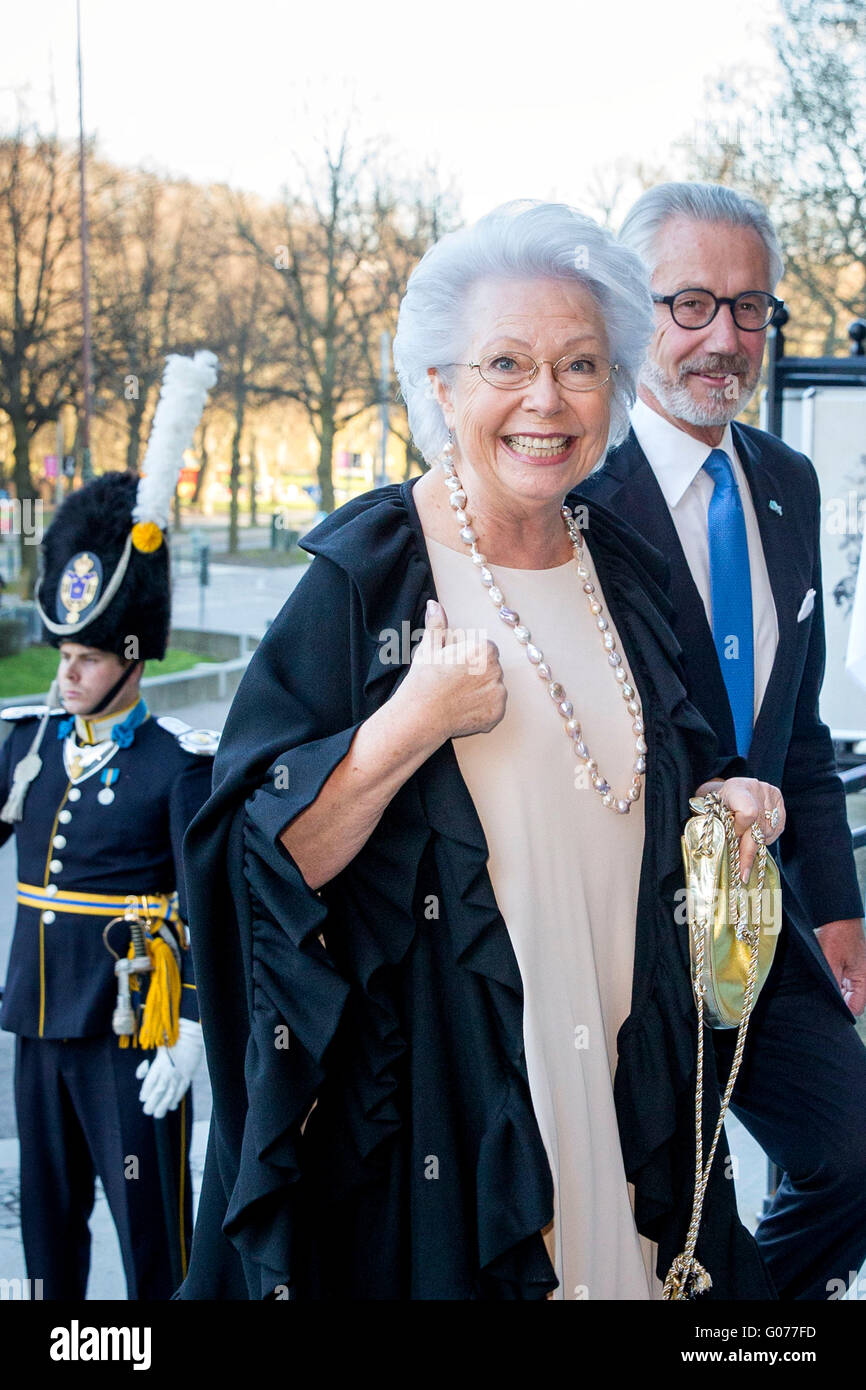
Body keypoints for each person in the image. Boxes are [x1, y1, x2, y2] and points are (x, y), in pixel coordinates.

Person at [178, 201, 786, 1302]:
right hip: (450, 1112)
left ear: (613, 386)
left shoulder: (628, 575)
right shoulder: (367, 577)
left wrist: (723, 807)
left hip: (619, 1078)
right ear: (442, 388)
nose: (544, 400)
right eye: (505, 363)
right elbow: (251, 865)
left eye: (580, 364)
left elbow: (643, 793)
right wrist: (408, 723)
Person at [577, 181, 866, 1300]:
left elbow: (793, 729)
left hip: (760, 921)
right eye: (688, 302)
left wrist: (834, 905)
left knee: (846, 1152)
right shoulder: (579, 494)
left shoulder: (786, 485)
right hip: (627, 934)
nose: (724, 338)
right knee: (678, 1208)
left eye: (750, 309)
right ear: (631, 308)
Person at [0, 470, 217, 1299]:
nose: (68, 675)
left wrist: (190, 1028)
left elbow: (203, 906)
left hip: (132, 1032)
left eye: (87, 658)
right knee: (47, 1238)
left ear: (131, 658)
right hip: (38, 1025)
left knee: (150, 1236)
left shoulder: (175, 763)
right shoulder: (29, 747)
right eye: (64, 655)